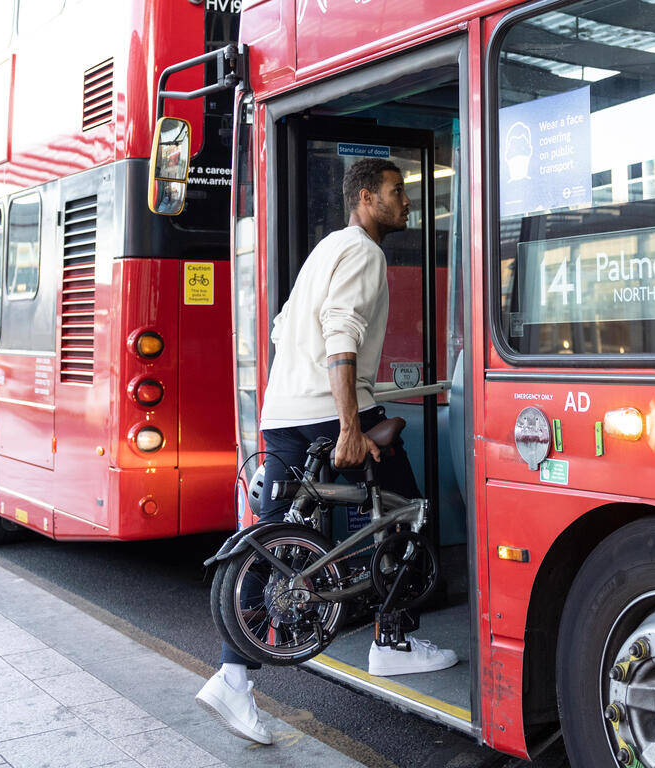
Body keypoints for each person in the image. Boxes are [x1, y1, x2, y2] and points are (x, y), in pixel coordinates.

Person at [196, 157, 458, 744]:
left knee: (271, 535)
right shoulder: (365, 252)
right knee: (407, 508)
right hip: (329, 410)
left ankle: (233, 674)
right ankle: (393, 641)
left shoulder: (325, 249)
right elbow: (340, 335)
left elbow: (281, 329)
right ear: (365, 197)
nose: (407, 202)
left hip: (283, 412)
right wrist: (348, 422)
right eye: (397, 192)